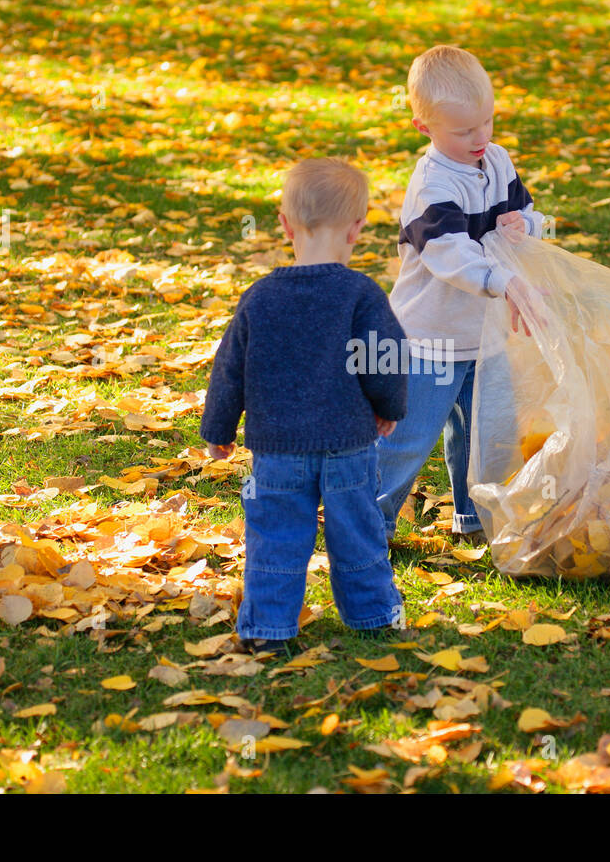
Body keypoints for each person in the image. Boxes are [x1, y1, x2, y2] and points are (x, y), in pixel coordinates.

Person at [200, 158, 408, 654]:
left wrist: (219, 427)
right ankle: (375, 617)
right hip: (349, 445)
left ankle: (269, 630)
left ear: (285, 224)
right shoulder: (361, 294)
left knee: (275, 538)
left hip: (277, 450)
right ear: (357, 229)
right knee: (358, 533)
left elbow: (231, 365)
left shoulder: (260, 298)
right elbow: (386, 357)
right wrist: (390, 407)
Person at [377, 44, 546, 543]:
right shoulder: (432, 185)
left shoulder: (496, 161)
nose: (480, 138)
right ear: (424, 127)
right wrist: (506, 281)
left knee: (480, 436)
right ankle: (368, 518)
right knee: (408, 438)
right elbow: (451, 254)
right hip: (428, 338)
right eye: (464, 131)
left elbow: (531, 214)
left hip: (483, 336)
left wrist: (527, 223)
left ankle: (474, 516)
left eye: (487, 123)